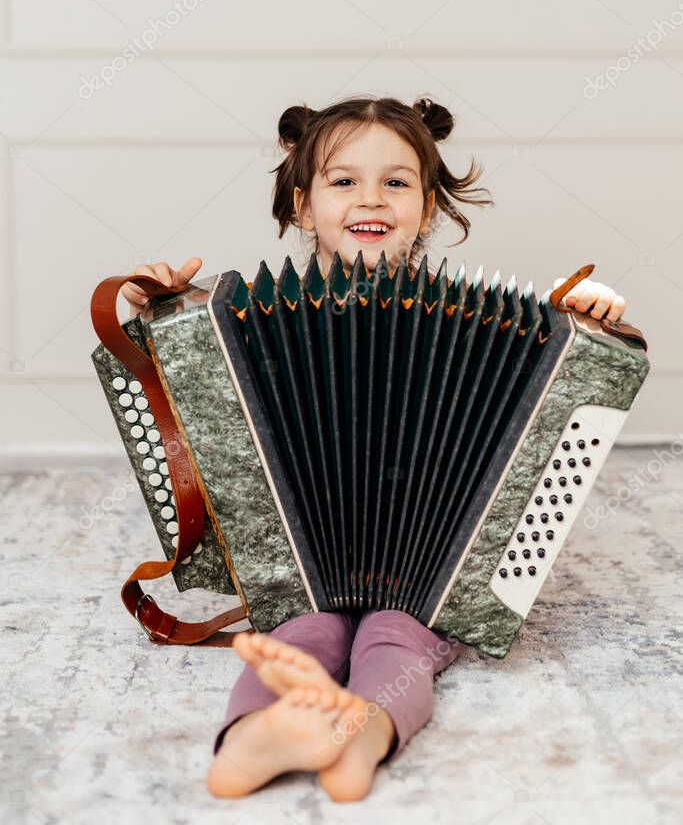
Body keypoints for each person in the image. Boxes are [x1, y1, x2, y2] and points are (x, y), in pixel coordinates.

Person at [122, 95, 627, 803]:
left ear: (428, 208)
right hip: (298, 563)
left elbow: (565, 376)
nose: (371, 198)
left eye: (396, 182)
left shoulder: (489, 326)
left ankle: (361, 734)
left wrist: (585, 320)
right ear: (302, 206)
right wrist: (160, 326)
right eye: (342, 180)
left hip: (434, 570)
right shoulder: (227, 326)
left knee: (397, 635)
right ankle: (253, 737)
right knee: (300, 630)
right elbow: (186, 429)